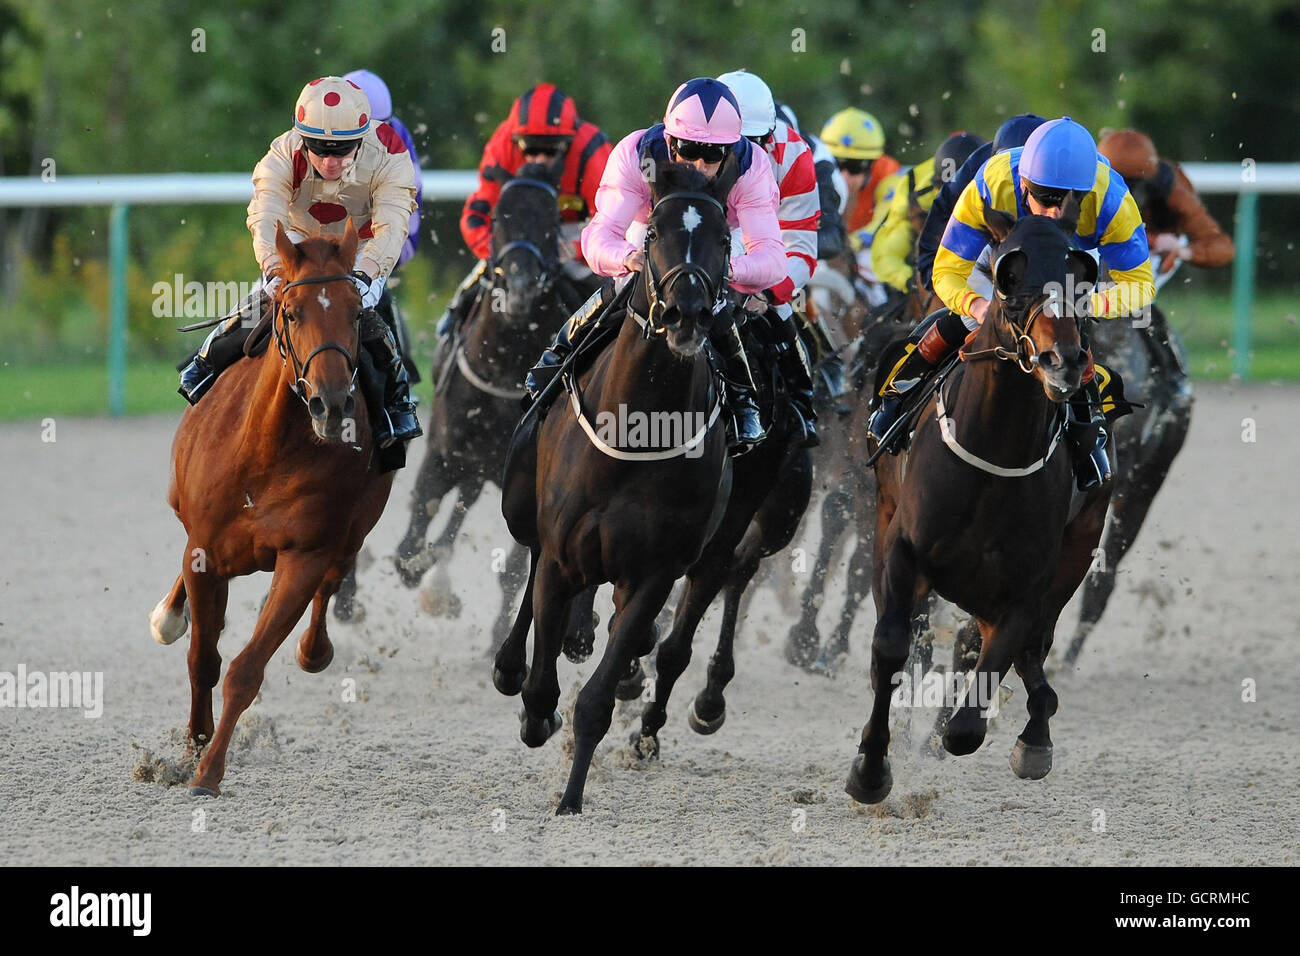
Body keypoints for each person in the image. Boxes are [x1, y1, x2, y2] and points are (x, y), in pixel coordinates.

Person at [870, 116, 1156, 491]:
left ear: (1088, 190)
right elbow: (947, 270)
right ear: (1023, 183)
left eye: (1072, 200)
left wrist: (1085, 308)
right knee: (971, 322)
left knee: (1068, 341)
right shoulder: (992, 183)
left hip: (1066, 260)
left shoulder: (1113, 200)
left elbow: (1140, 284)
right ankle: (899, 397)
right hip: (999, 251)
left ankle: (1088, 439)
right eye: (1046, 197)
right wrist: (976, 307)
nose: (1055, 212)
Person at [523, 77, 786, 452]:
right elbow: (597, 236)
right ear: (669, 140)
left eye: (713, 156)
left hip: (713, 238)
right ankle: (556, 359)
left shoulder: (751, 166)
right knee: (626, 285)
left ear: (731, 151)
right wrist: (625, 259)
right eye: (689, 149)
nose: (699, 164)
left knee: (717, 297)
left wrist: (729, 272)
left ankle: (743, 400)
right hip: (649, 231)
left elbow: (774, 258)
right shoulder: (637, 152)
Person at [178, 75, 421, 447]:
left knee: (368, 315)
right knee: (263, 297)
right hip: (298, 242)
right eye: (318, 148)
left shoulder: (390, 152)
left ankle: (397, 402)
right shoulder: (281, 152)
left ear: (362, 138)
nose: (329, 161)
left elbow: (392, 225)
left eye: (341, 150)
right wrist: (275, 266)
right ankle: (207, 359)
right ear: (301, 137)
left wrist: (365, 274)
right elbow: (265, 212)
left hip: (357, 248)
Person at [439, 84, 612, 339]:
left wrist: (576, 249)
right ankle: (451, 324)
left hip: (578, 230)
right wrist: (500, 250)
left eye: (551, 149)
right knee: (475, 287)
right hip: (518, 233)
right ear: (516, 141)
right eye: (531, 149)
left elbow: (613, 223)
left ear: (568, 142)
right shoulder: (502, 146)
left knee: (611, 291)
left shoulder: (593, 151)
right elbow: (475, 217)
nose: (540, 159)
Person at [716, 69, 820, 447]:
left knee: (784, 316)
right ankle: (561, 360)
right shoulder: (690, 142)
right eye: (741, 143)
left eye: (760, 142)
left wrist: (770, 292)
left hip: (763, 247)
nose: (752, 154)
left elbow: (802, 243)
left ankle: (803, 404)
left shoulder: (794, 156)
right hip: (704, 244)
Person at [1098, 127, 1234, 374]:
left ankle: (1170, 376)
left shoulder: (1173, 192)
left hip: (1153, 254)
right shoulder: (1085, 182)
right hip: (1103, 246)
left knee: (1135, 301)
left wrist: (1183, 251)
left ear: (1147, 183)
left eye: (1128, 185)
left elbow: (1222, 247)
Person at [916, 114, 1046, 291]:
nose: (1015, 174)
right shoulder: (977, 172)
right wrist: (933, 277)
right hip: (989, 242)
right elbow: (942, 212)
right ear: (994, 159)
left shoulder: (1069, 176)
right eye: (1009, 164)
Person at [871, 131, 985, 295]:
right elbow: (887, 253)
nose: (954, 202)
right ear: (937, 187)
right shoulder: (913, 190)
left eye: (962, 194)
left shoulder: (998, 187)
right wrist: (910, 281)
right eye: (948, 193)